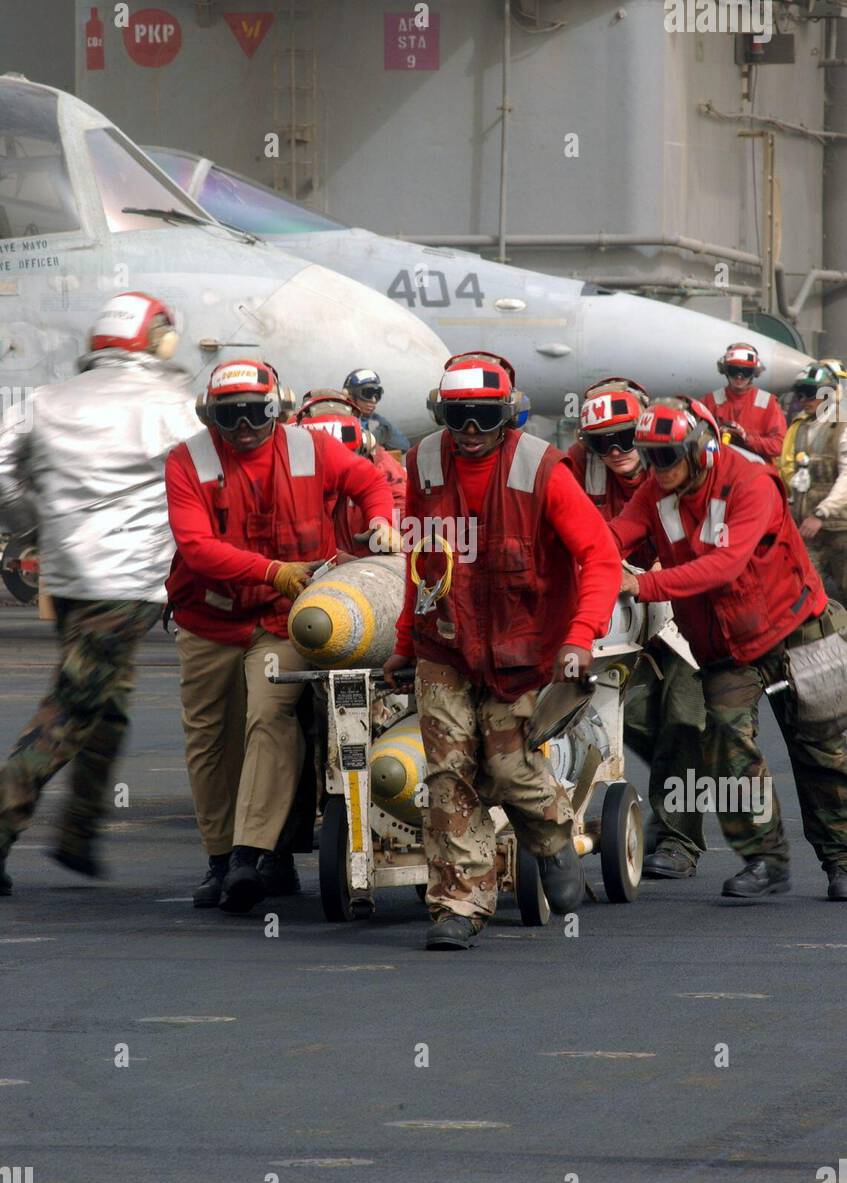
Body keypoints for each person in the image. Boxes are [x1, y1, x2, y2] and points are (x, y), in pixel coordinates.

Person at [383, 353, 621, 949]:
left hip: (522, 650)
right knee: (448, 772)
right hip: (446, 645)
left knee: (510, 767)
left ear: (507, 417)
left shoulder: (543, 468)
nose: (469, 431)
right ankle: (459, 905)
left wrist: (580, 635)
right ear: (444, 413)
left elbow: (601, 556)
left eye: (484, 418)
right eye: (459, 416)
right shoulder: (424, 462)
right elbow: (422, 560)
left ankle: (554, 836)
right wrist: (406, 642)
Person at [165, 359, 396, 913]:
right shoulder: (188, 461)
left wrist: (383, 518)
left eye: (255, 412)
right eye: (230, 415)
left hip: (281, 622)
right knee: (211, 741)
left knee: (270, 719)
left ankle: (250, 854)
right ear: (211, 415)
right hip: (210, 621)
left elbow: (367, 480)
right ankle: (219, 858)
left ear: (277, 409)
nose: (243, 425)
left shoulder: (308, 450)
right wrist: (272, 570)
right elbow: (196, 548)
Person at [0, 292, 200, 894]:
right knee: (71, 707)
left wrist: (34, 523)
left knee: (104, 699)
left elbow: (3, 472)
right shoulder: (173, 407)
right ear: (160, 340)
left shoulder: (45, 401)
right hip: (129, 585)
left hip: (64, 579)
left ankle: (79, 834)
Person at [612, 395, 847, 902]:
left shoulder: (751, 483)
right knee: (725, 742)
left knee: (823, 750)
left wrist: (641, 586)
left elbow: (724, 565)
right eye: (649, 456)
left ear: (698, 448)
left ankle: (843, 859)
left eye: (666, 456)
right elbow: (616, 537)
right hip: (727, 645)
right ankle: (766, 861)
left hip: (799, 628)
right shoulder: (655, 490)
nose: (656, 469)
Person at [566, 379, 707, 878]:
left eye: (627, 437)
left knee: (686, 723)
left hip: (685, 612)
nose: (619, 451)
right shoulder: (570, 467)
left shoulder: (676, 461)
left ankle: (680, 840)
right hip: (614, 619)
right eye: (605, 443)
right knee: (631, 723)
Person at [296, 393, 407, 555]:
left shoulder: (377, 461)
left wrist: (387, 526)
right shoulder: (288, 467)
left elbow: (399, 502)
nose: (336, 466)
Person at [779, 361, 847, 607]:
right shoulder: (800, 428)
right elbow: (787, 470)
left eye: (813, 393)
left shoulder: (843, 425)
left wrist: (821, 512)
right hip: (807, 531)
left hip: (840, 530)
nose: (806, 399)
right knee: (803, 596)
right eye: (802, 392)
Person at [701, 342, 786, 461]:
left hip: (755, 472)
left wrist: (747, 439)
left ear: (753, 373)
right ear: (725, 371)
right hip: (721, 470)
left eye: (745, 372)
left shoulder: (768, 403)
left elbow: (778, 446)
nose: (739, 377)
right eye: (734, 370)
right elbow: (696, 440)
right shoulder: (709, 402)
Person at [342, 368, 410, 453]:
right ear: (350, 396)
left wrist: (382, 434)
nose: (373, 400)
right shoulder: (338, 421)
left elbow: (403, 445)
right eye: (367, 393)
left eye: (377, 394)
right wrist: (372, 439)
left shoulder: (377, 422)